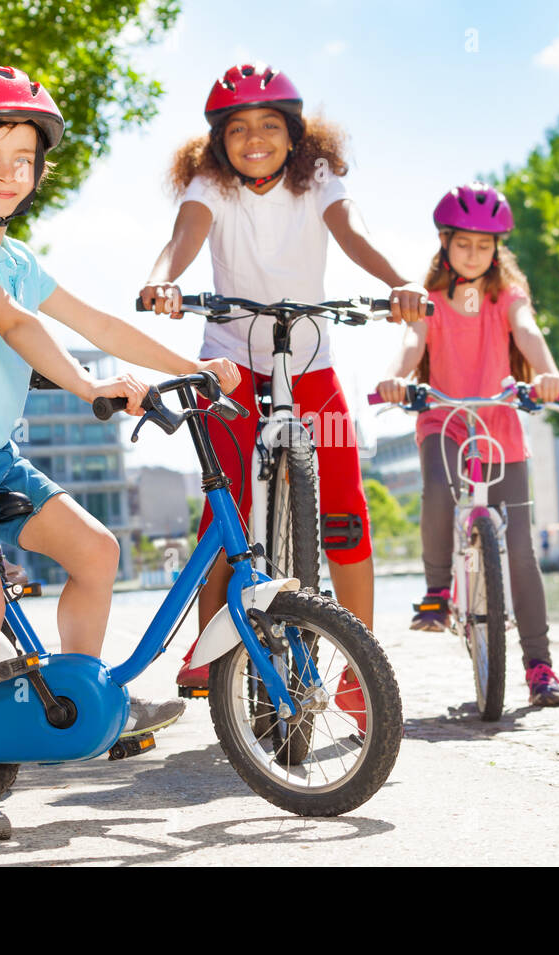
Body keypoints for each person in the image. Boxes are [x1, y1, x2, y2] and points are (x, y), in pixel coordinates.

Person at [0, 66, 240, 841]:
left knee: (97, 550)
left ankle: (86, 697)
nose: (10, 171)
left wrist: (191, 368)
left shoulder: (18, 255)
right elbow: (16, 327)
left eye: (24, 156)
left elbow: (99, 320)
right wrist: (86, 385)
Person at [139, 63, 427, 696]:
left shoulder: (317, 177)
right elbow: (184, 235)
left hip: (310, 359)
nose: (254, 138)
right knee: (228, 509)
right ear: (219, 141)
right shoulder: (210, 180)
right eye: (237, 128)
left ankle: (359, 672)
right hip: (231, 361)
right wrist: (165, 277)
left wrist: (397, 281)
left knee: (348, 509)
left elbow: (351, 229)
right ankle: (209, 644)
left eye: (270, 125)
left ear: (295, 135)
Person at [375, 182, 559, 708]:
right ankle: (438, 592)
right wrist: (394, 379)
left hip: (500, 421)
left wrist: (548, 373)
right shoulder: (430, 300)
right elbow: (412, 344)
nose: (475, 254)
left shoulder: (508, 296)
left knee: (523, 551)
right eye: (464, 244)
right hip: (444, 418)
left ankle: (539, 667)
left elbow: (527, 332)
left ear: (498, 250)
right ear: (444, 243)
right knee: (438, 488)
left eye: (486, 246)